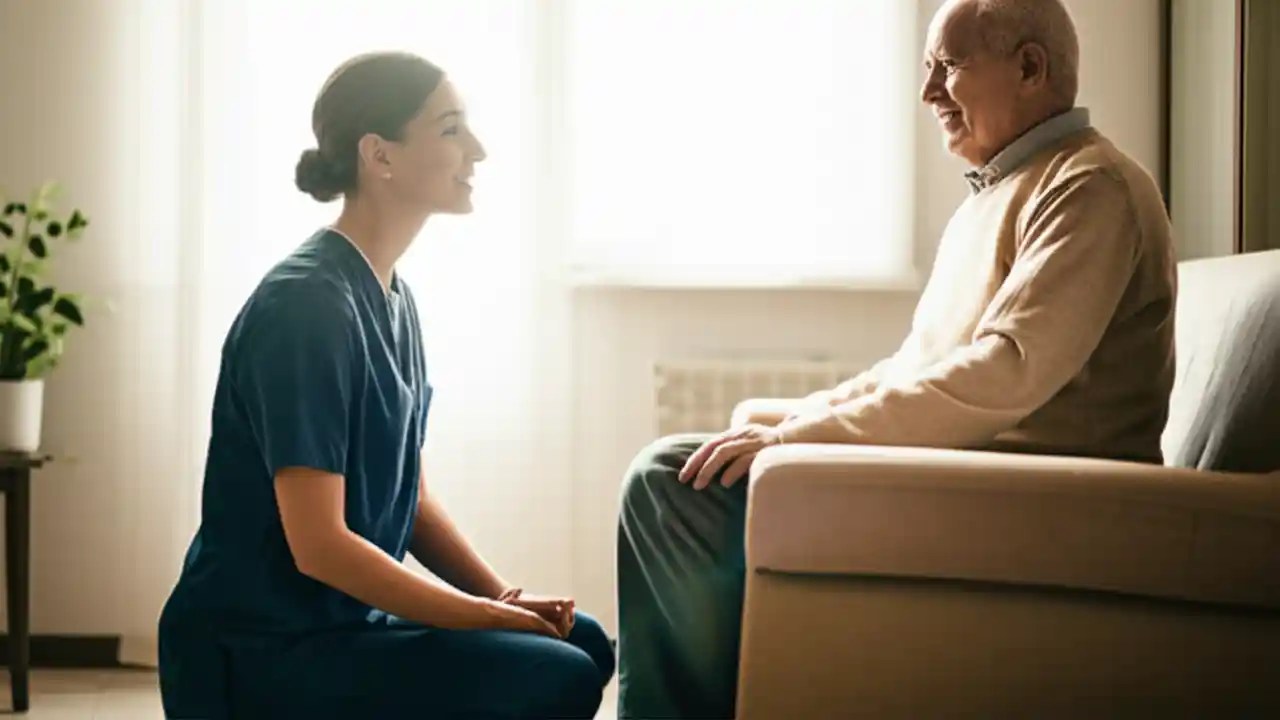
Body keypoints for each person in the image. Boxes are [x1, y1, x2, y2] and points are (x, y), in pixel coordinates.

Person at [615, 0, 1177, 716]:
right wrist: (791, 422)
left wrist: (795, 439)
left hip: (1033, 500)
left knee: (669, 485)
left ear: (1030, 67)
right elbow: (914, 365)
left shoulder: (1088, 187)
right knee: (721, 450)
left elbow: (1006, 373)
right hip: (972, 476)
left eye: (947, 67)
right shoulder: (998, 194)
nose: (927, 93)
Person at [159, 51, 614, 719]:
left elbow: (413, 497)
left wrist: (504, 600)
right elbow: (320, 547)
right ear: (381, 155)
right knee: (559, 676)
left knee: (585, 643)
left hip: (342, 629)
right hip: (258, 652)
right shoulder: (305, 307)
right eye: (452, 129)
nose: (478, 151)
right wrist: (480, 619)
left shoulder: (394, 296)